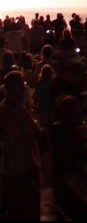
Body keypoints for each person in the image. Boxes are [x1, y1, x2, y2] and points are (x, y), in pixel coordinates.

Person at [0, 70, 43, 221]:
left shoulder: (16, 106)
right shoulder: (11, 110)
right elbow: (21, 135)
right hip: (21, 167)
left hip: (19, 166)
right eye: (21, 85)